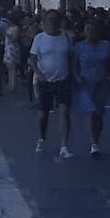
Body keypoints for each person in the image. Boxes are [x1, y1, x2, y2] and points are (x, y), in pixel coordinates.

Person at [30, 11, 74, 158]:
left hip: (63, 80)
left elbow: (71, 58)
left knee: (64, 111)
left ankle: (64, 145)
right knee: (43, 113)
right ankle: (41, 138)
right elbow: (32, 59)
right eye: (50, 19)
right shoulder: (39, 38)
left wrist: (73, 74)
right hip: (45, 81)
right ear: (45, 21)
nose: (53, 22)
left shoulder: (66, 38)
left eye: (56, 19)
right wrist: (38, 73)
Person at [72, 19, 110, 156]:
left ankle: (97, 139)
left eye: (93, 29)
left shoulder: (106, 45)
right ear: (84, 32)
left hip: (102, 82)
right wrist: (77, 77)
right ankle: (93, 144)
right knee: (91, 112)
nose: (91, 32)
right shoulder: (79, 47)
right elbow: (74, 66)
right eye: (88, 29)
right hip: (86, 83)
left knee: (99, 114)